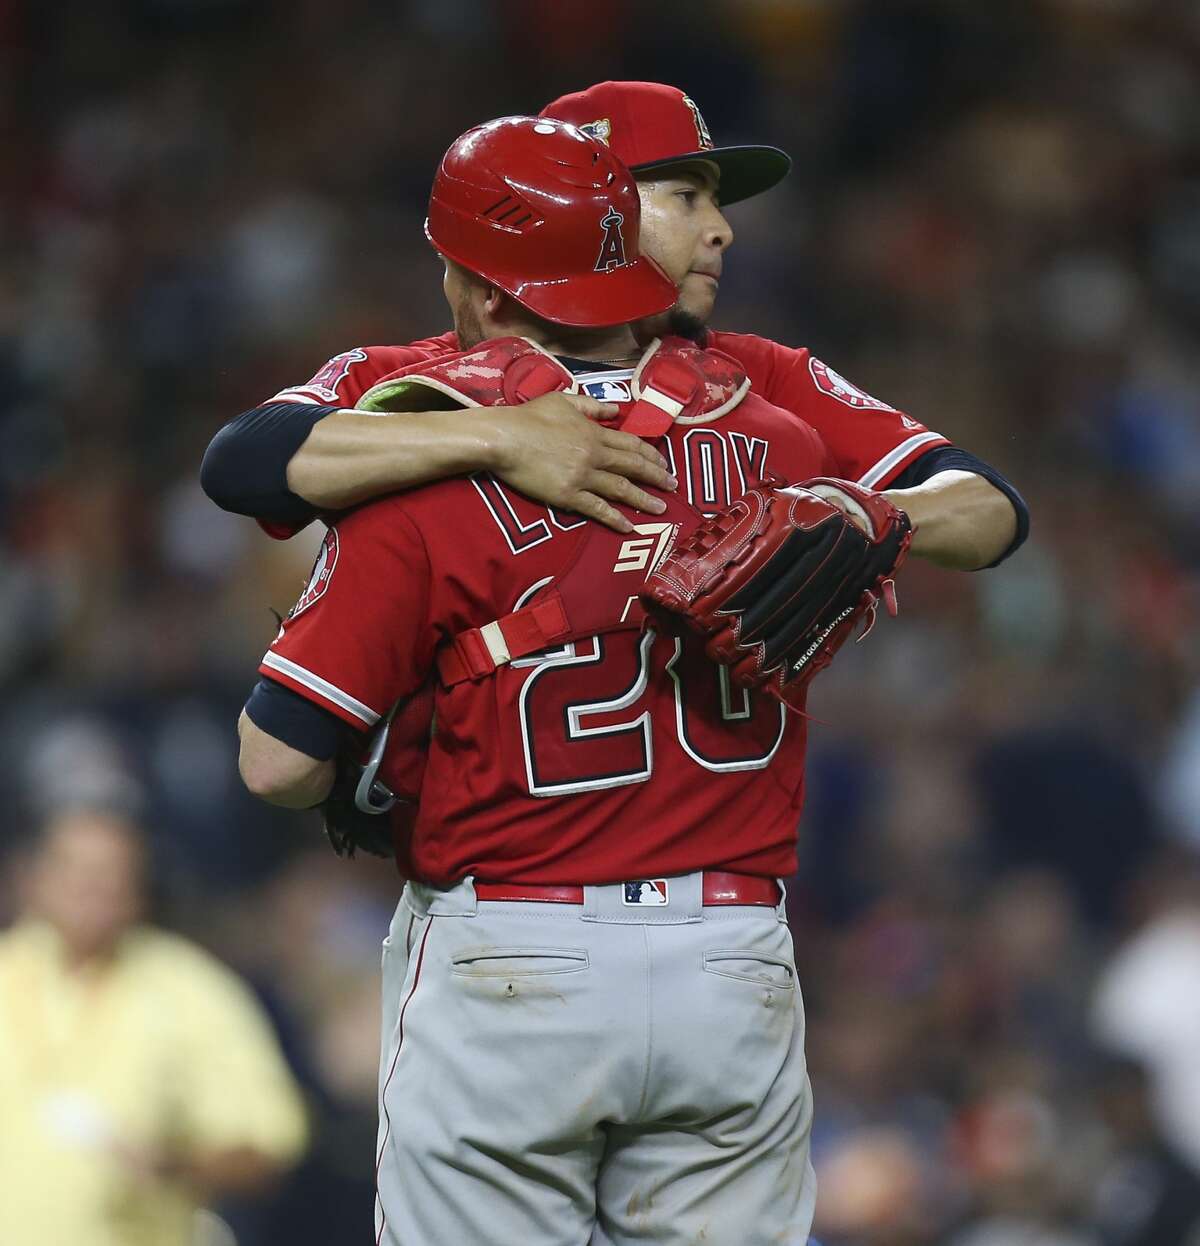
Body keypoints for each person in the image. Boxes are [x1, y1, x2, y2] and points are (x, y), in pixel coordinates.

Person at [200, 80, 1027, 572]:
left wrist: (862, 521)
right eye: (685, 197)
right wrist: (500, 439)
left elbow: (991, 509)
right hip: (477, 849)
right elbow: (242, 463)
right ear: (593, 210)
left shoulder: (758, 377)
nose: (722, 230)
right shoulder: (412, 377)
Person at [0, 806, 308, 1246]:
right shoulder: (5, 971)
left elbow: (266, 1150)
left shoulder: (193, 988)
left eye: (110, 872)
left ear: (139, 888)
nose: (91, 887)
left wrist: (172, 1164)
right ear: (32, 878)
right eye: (74, 868)